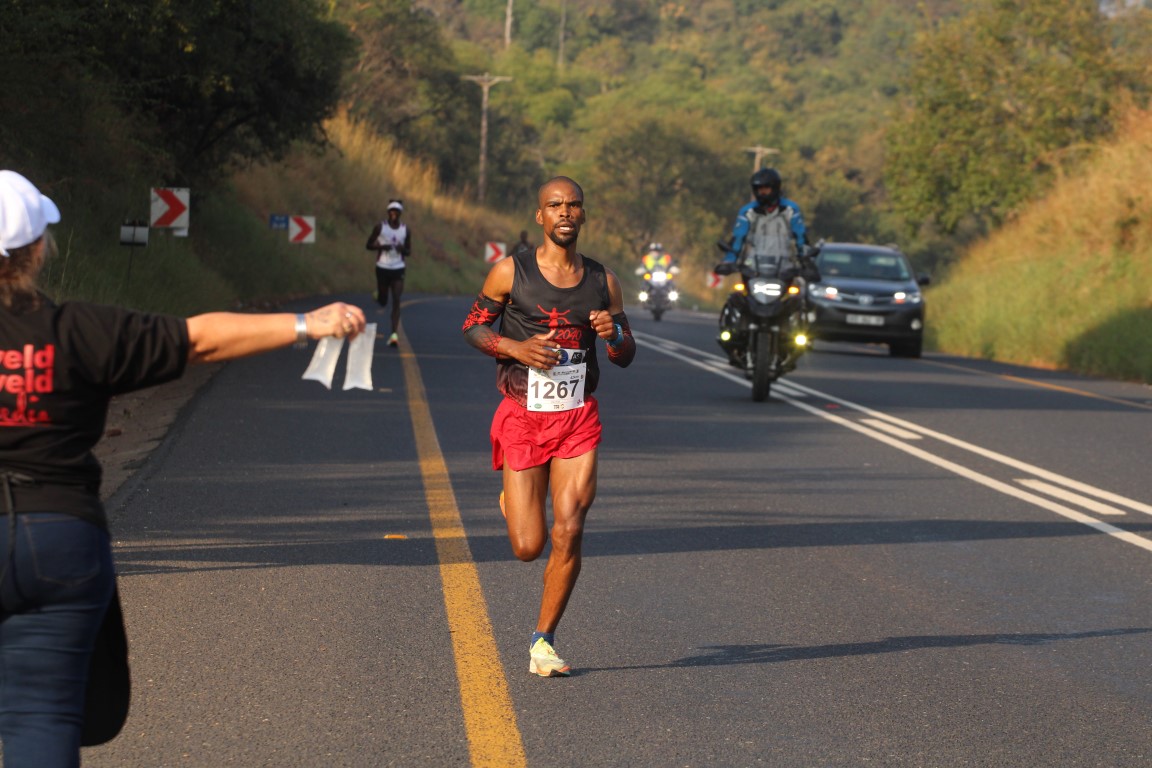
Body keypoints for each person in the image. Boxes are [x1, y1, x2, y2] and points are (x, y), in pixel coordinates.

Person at [0, 169, 367, 767]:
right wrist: (308, 323)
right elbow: (199, 340)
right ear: (39, 249)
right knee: (41, 717)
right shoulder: (81, 331)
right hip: (59, 538)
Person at [461, 176, 635, 677]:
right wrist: (516, 349)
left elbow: (624, 354)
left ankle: (544, 640)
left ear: (583, 215)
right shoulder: (508, 273)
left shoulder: (604, 281)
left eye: (573, 205)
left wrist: (613, 333)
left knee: (571, 527)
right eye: (554, 205)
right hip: (522, 416)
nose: (564, 212)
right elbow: (473, 327)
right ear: (541, 216)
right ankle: (512, 501)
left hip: (577, 418)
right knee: (527, 547)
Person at [717, 167, 807, 271]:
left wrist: (806, 261)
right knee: (739, 287)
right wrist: (729, 260)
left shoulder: (790, 209)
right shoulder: (747, 211)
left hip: (784, 267)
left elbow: (801, 237)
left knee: (796, 285)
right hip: (753, 266)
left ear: (775, 188)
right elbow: (738, 238)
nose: (762, 192)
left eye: (766, 188)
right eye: (759, 189)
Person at [365, 199, 411, 347]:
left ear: (400, 213)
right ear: (388, 212)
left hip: (398, 267)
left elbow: (408, 251)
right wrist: (381, 246)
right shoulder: (380, 227)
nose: (394, 214)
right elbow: (368, 245)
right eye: (391, 211)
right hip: (382, 267)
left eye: (396, 212)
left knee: (397, 299)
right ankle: (379, 293)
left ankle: (393, 335)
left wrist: (401, 249)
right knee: (383, 301)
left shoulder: (405, 230)